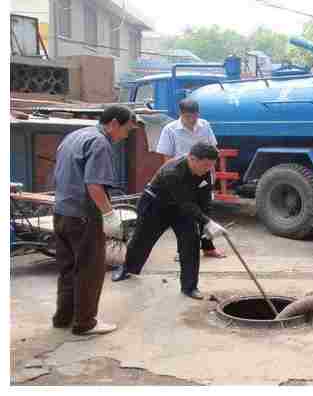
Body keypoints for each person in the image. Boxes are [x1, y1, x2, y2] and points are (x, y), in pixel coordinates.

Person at [52, 105, 138, 335]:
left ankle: (63, 317)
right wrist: (109, 215)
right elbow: (94, 185)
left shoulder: (75, 136)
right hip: (83, 216)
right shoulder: (100, 143)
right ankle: (85, 323)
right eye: (126, 131)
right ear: (114, 124)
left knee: (68, 269)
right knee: (89, 270)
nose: (125, 137)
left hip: (61, 212)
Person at [111, 142, 228, 300]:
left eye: (211, 166)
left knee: (191, 242)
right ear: (192, 158)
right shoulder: (172, 171)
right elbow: (185, 202)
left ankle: (189, 287)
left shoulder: (206, 172)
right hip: (156, 205)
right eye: (205, 165)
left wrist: (206, 223)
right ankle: (127, 268)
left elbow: (204, 199)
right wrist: (206, 221)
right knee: (142, 239)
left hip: (183, 208)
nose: (207, 169)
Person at [156, 98, 225, 259]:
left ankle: (208, 248)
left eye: (194, 116)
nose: (192, 120)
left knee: (205, 210)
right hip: (181, 177)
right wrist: (171, 181)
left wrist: (211, 173)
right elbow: (167, 158)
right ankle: (183, 251)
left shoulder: (204, 125)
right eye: (188, 116)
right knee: (185, 213)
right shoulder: (170, 129)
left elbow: (213, 148)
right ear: (180, 114)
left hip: (204, 174)